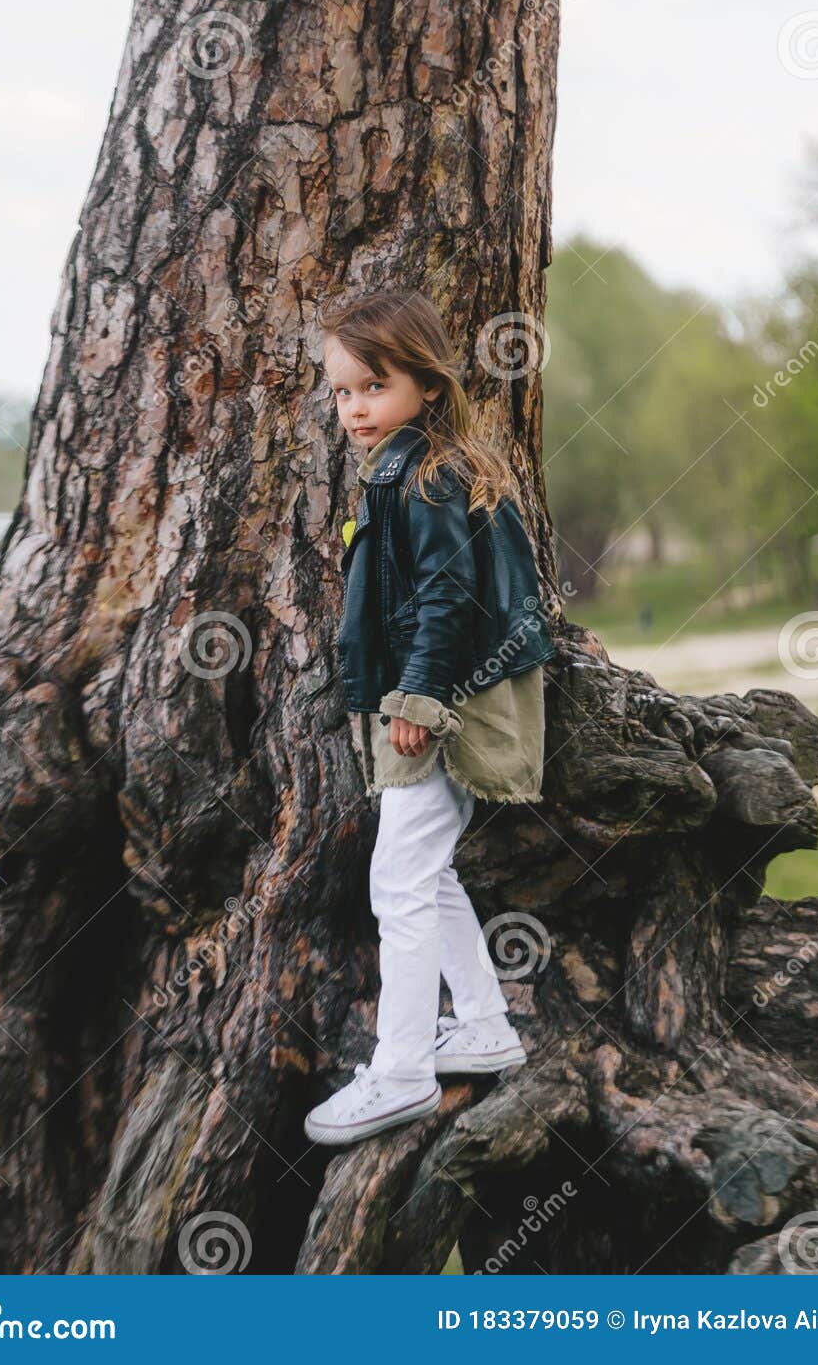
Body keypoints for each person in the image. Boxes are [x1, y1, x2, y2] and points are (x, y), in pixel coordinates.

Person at [304, 289, 557, 1147]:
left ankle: (402, 1071)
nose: (353, 408)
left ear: (426, 383)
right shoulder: (406, 472)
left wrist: (414, 698)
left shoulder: (427, 478)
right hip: (430, 697)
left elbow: (448, 601)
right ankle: (482, 1025)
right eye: (340, 392)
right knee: (429, 873)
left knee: (398, 885)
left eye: (372, 386)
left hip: (440, 704)